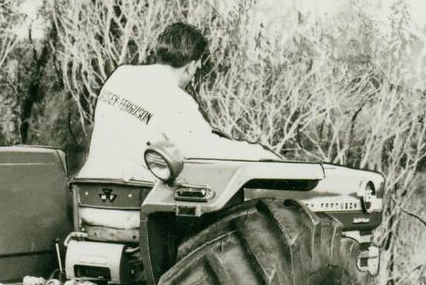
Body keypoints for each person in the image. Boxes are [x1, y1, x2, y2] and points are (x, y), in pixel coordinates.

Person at [75, 22, 276, 182]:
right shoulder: (175, 99)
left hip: (86, 193)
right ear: (191, 66)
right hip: (133, 207)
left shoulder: (121, 74)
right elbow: (205, 150)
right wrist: (258, 152)